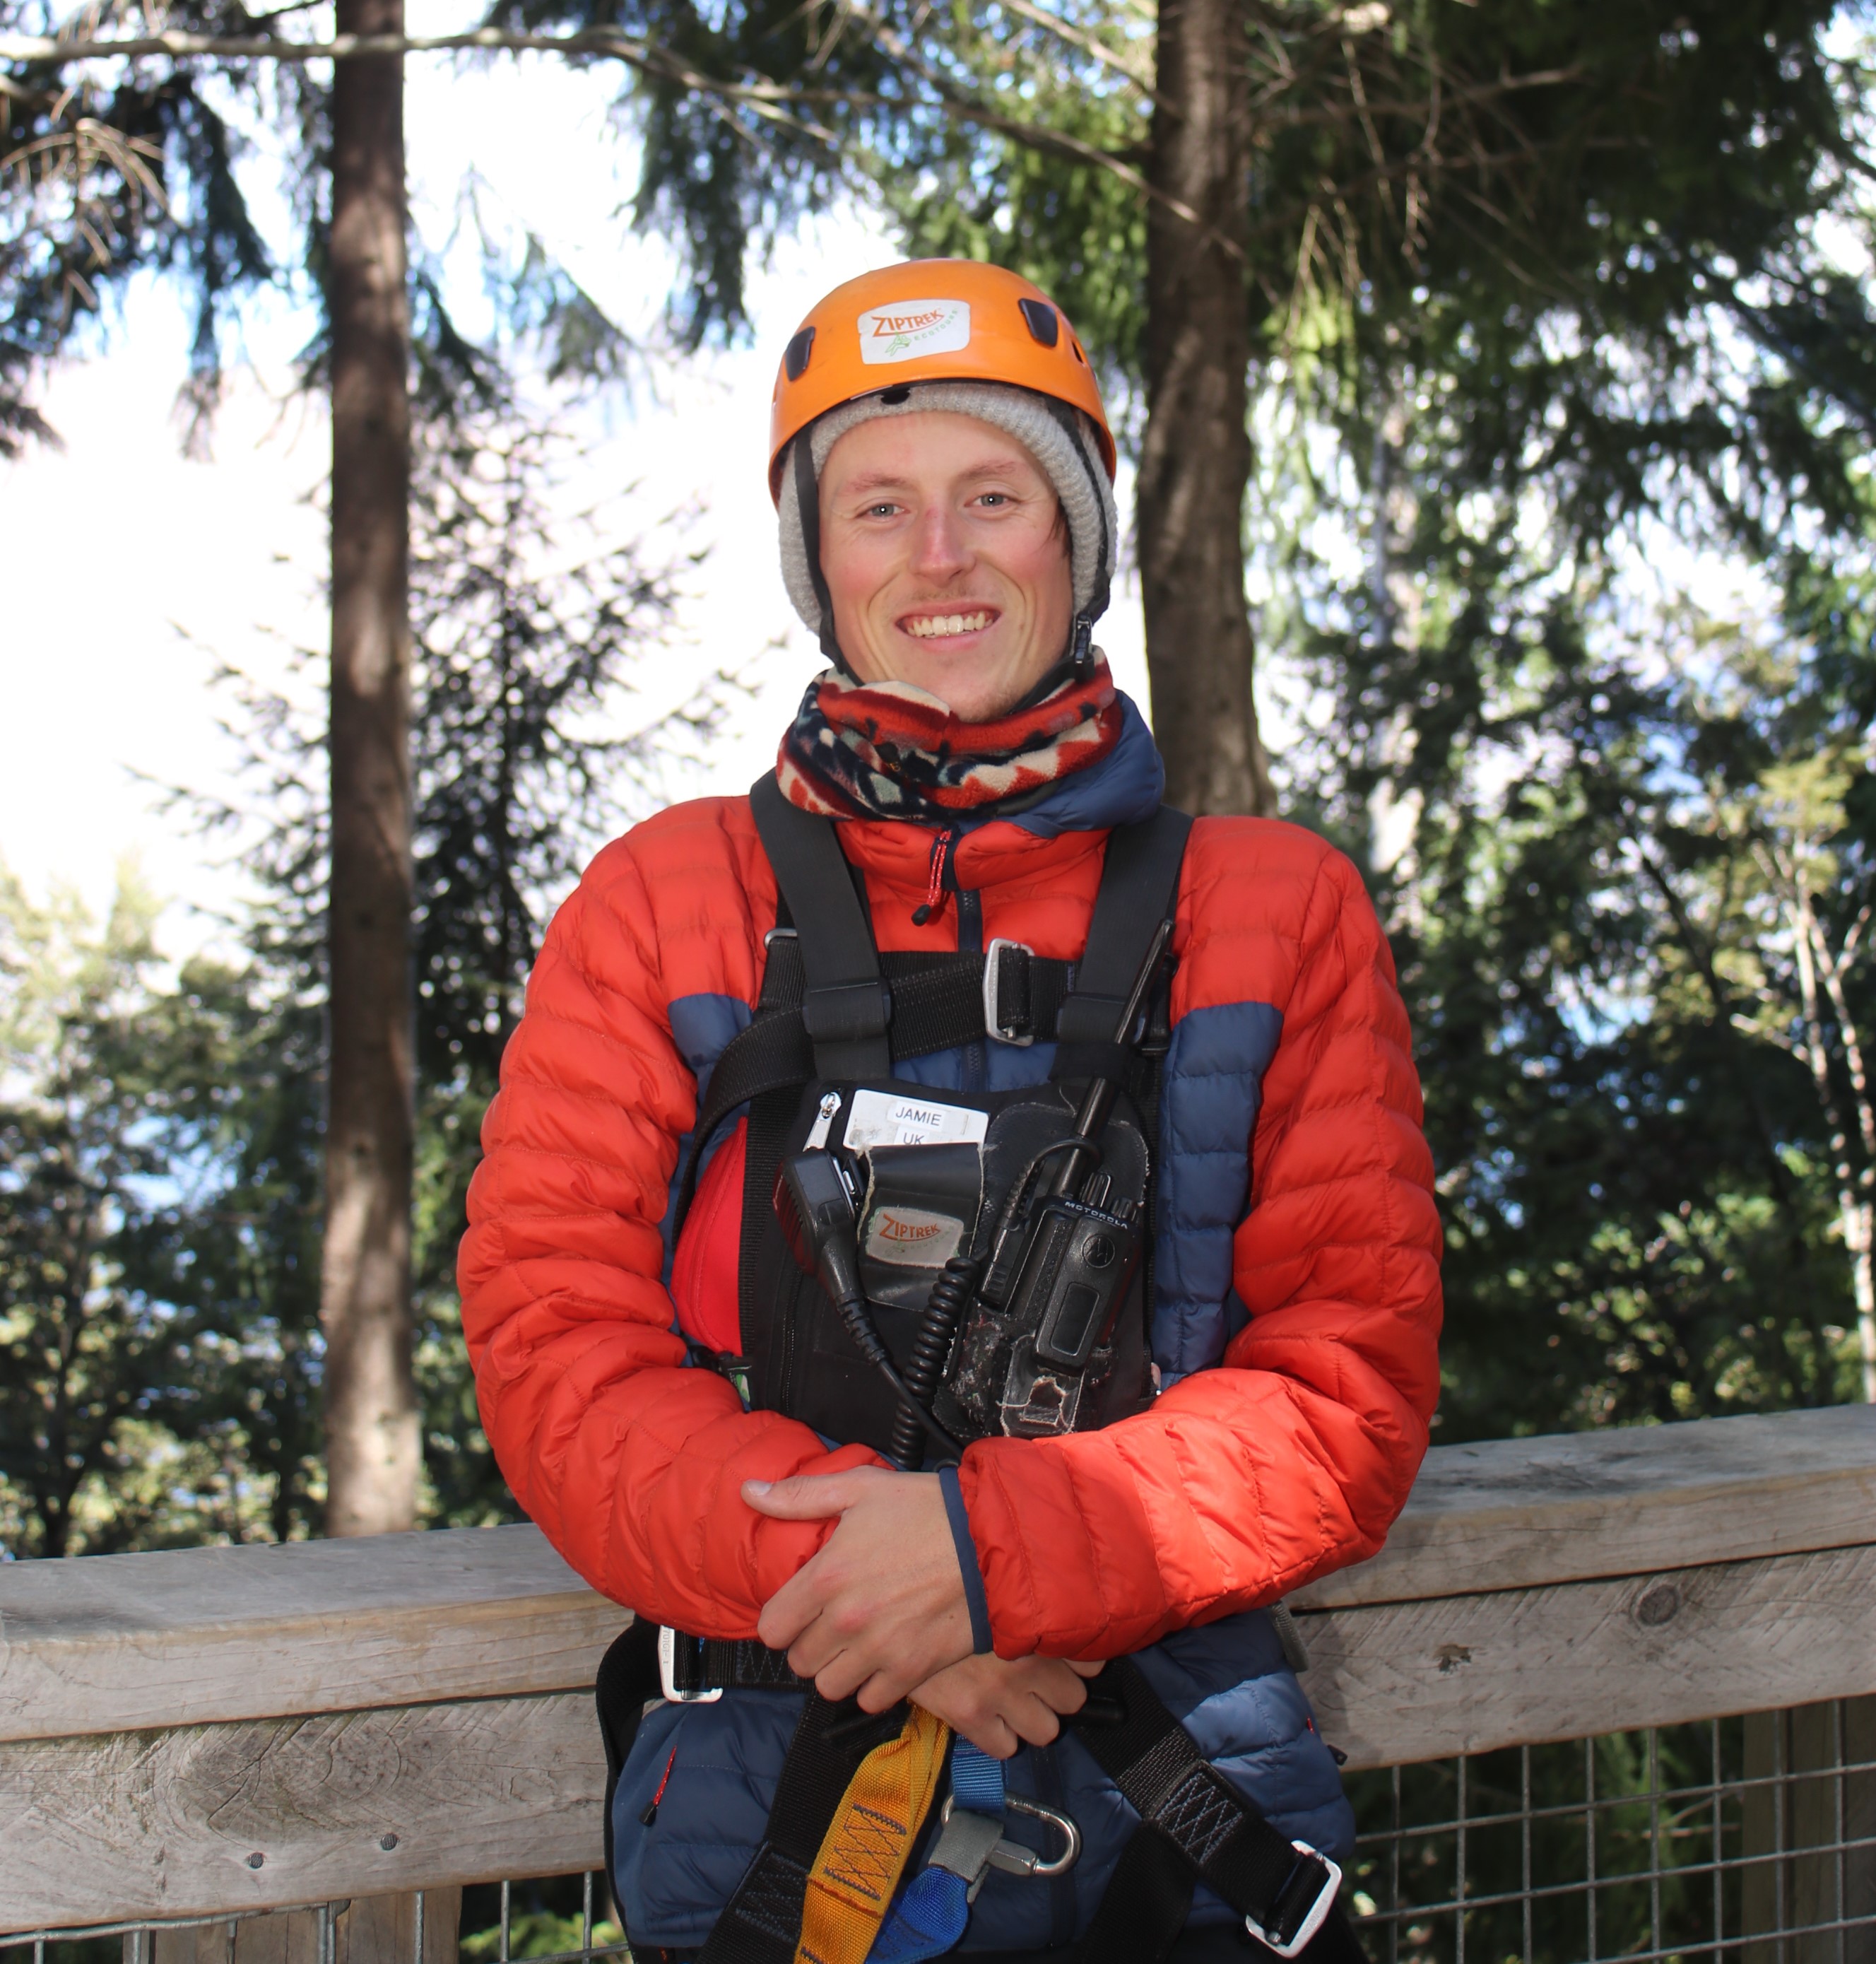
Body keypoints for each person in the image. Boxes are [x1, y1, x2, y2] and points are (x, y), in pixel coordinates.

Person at [459, 259, 1442, 1964]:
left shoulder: (1273, 912)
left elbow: (1345, 1385)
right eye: (876, 507)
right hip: (772, 1810)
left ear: (1073, 540)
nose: (938, 556)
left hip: (1184, 1809)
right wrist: (886, 1598)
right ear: (815, 564)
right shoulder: (661, 905)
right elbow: (555, 1351)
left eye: (994, 495)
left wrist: (986, 1560)